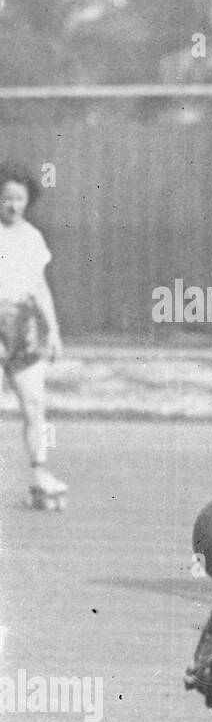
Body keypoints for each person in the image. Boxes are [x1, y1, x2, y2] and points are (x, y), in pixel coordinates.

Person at [0, 161, 66, 510]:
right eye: (6, 198)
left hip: (23, 328)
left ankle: (39, 474)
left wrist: (53, 330)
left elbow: (39, 286)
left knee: (35, 404)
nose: (12, 205)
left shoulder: (31, 236)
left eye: (19, 198)